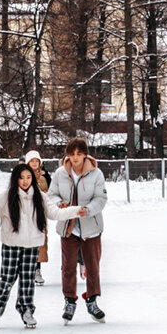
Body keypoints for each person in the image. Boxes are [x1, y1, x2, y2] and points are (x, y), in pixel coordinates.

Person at [0, 163, 84, 328]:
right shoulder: (6, 196)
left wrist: (76, 211)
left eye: (28, 177)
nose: (25, 181)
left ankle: (26, 310)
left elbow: (56, 213)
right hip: (11, 244)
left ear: (33, 178)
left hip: (32, 245)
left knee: (27, 280)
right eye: (21, 177)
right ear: (16, 179)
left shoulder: (40, 196)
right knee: (7, 279)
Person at [50, 138, 109, 324]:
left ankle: (92, 301)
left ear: (85, 154)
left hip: (90, 226)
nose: (75, 158)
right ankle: (69, 301)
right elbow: (51, 194)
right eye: (72, 153)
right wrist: (60, 204)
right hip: (68, 226)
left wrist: (88, 210)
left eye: (79, 153)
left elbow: (101, 198)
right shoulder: (60, 173)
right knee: (68, 267)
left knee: (92, 266)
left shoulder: (96, 173)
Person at [25, 150, 51, 286]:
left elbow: (50, 193)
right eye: (32, 161)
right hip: (27, 214)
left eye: (37, 161)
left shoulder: (44, 177)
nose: (35, 163)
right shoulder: (23, 176)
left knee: (40, 242)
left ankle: (37, 270)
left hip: (40, 214)